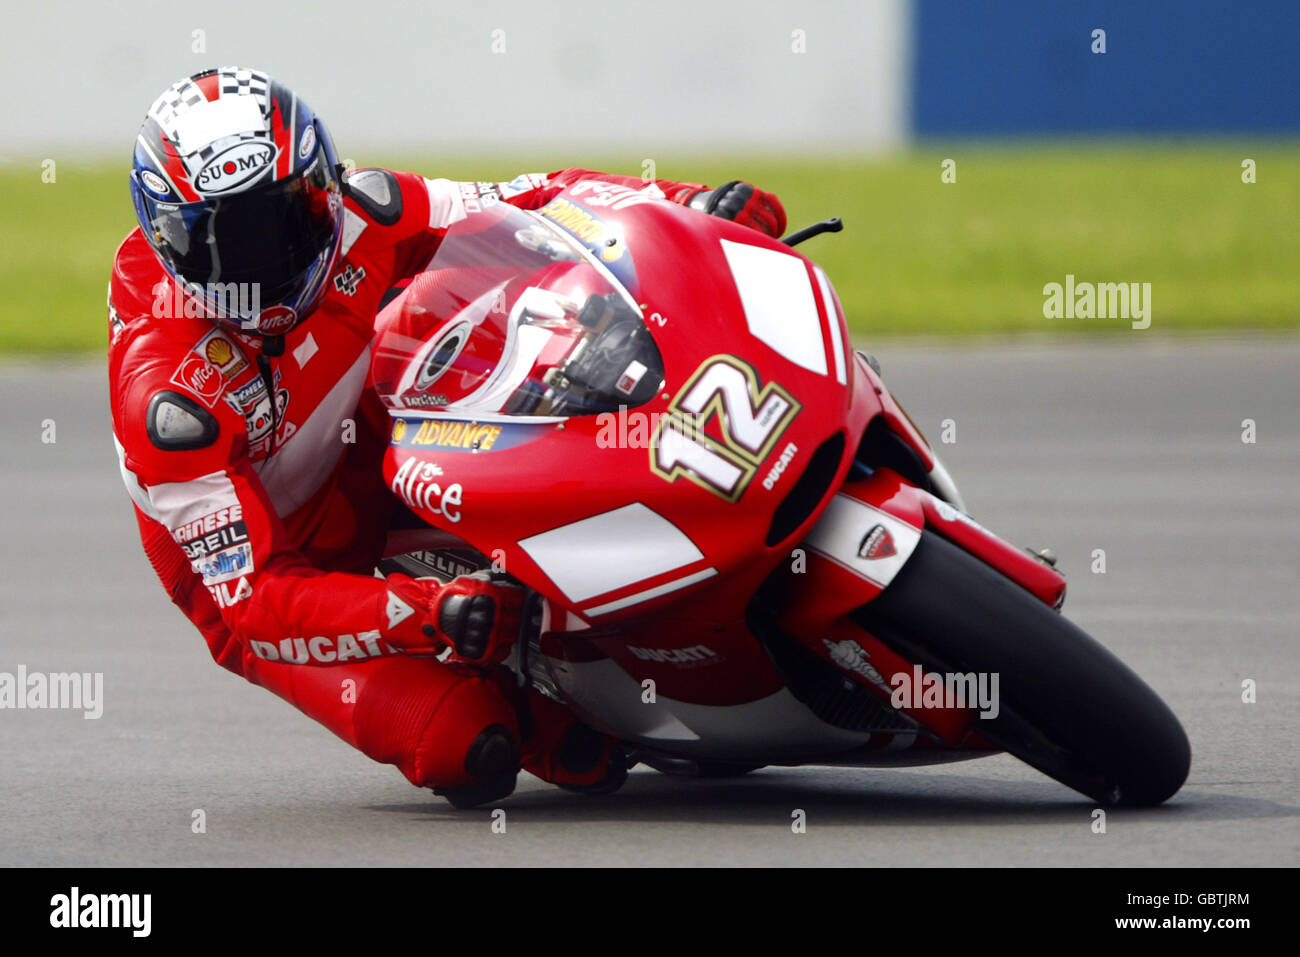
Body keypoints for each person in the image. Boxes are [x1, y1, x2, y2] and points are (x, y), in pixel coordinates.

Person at [109, 66, 787, 807]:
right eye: (229, 247)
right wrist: (427, 611)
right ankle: (532, 685)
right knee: (473, 748)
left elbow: (532, 202)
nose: (271, 263)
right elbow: (257, 604)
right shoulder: (169, 399)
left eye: (291, 217)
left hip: (365, 444)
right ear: (169, 240)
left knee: (487, 300)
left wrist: (688, 204)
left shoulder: (365, 214)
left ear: (324, 183)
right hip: (274, 574)